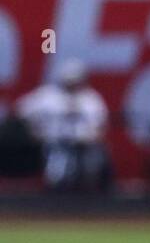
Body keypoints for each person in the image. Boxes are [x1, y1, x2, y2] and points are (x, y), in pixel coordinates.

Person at [16, 59, 112, 193]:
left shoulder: (91, 99)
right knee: (57, 176)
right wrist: (35, 129)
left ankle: (89, 203)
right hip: (55, 144)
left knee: (91, 169)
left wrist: (93, 136)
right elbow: (21, 110)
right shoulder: (47, 95)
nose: (71, 84)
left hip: (84, 146)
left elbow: (100, 124)